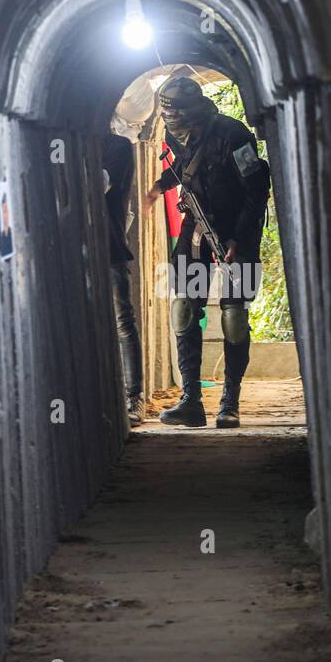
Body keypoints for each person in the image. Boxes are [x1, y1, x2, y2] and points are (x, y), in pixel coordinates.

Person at [142, 77, 271, 428]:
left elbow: (257, 191)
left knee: (233, 316)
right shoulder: (174, 135)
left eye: (182, 121)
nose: (178, 130)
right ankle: (191, 401)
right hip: (195, 227)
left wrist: (238, 240)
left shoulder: (234, 136)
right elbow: (182, 167)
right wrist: (158, 188)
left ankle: (230, 402)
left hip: (237, 229)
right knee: (183, 306)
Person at [102, 132, 144, 426]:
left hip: (109, 246)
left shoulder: (117, 147)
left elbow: (100, 184)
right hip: (68, 249)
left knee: (122, 322)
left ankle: (133, 397)